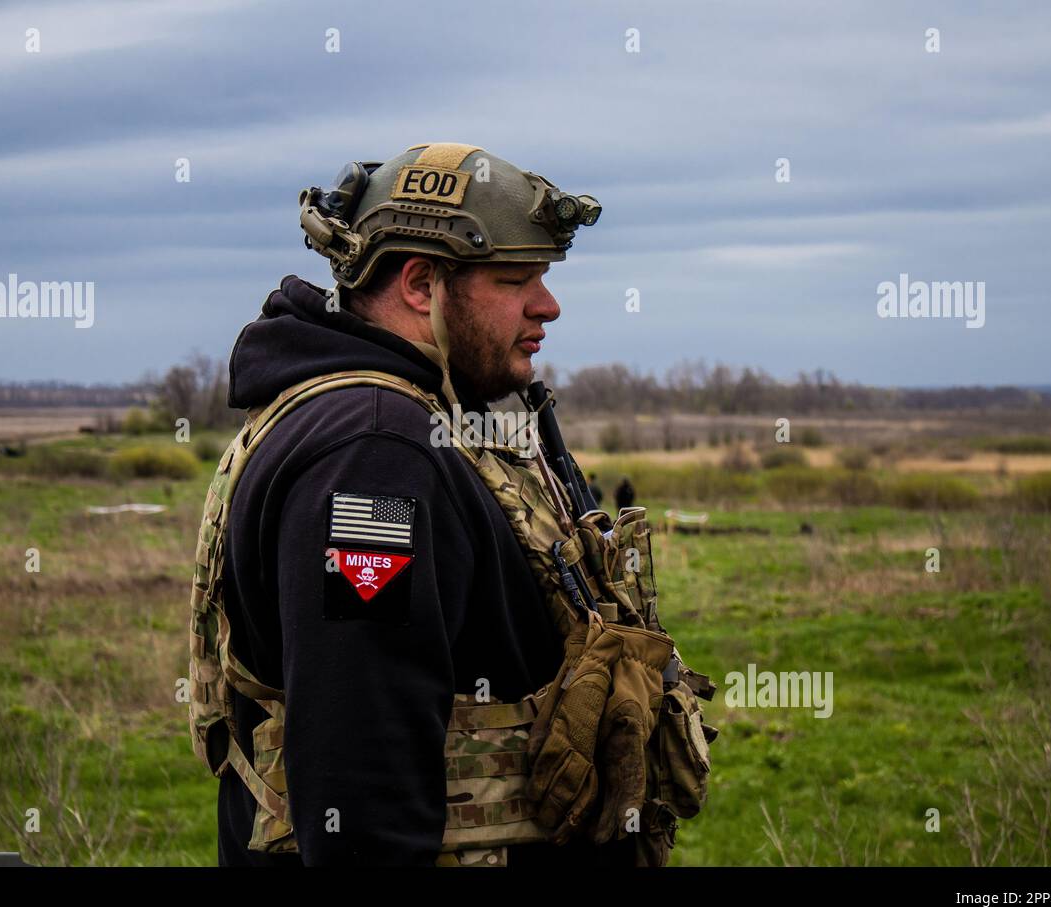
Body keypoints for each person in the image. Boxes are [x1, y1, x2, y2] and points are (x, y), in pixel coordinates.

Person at [187, 143, 715, 868]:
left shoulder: (397, 427)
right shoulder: (373, 458)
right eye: (514, 278)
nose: (548, 305)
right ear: (420, 283)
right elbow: (361, 763)